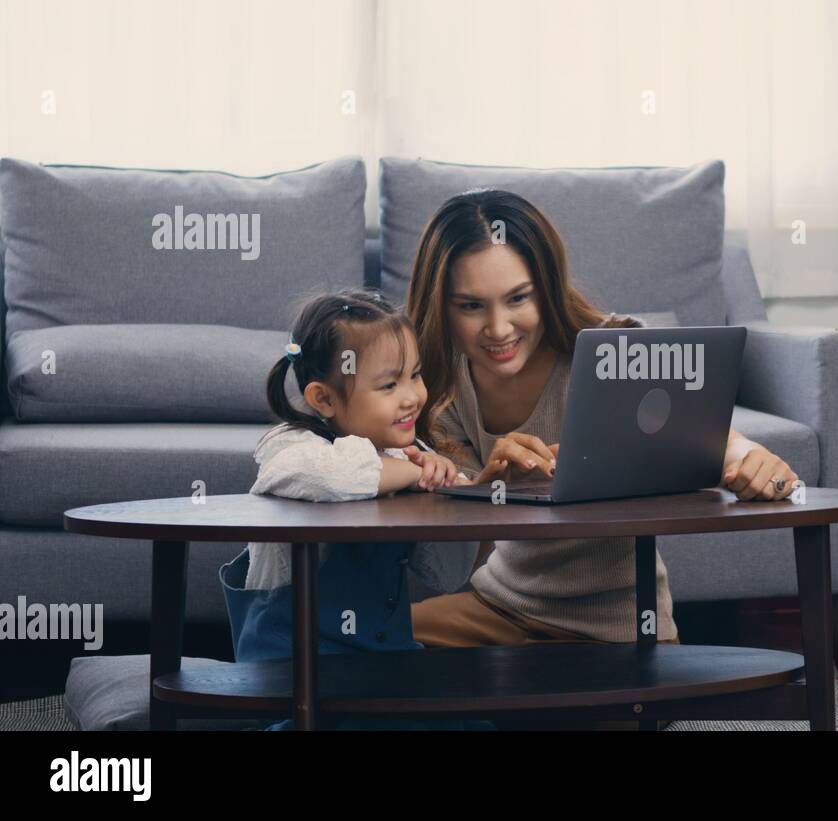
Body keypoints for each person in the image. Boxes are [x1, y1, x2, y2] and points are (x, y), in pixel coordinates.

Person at [405, 188, 801, 650]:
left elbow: (712, 441)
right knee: (352, 645)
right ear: (442, 307)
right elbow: (453, 553)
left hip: (619, 627)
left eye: (518, 298)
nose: (497, 329)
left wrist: (756, 459)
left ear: (547, 286)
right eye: (471, 306)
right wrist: (490, 491)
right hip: (500, 608)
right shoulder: (436, 385)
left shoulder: (616, 350)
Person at [218, 288, 485, 730]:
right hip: (294, 675)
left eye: (414, 375)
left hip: (384, 669)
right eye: (388, 384)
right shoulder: (288, 447)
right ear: (324, 399)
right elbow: (331, 476)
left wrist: (450, 496)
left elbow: (446, 574)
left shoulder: (406, 458)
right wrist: (412, 474)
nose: (412, 397)